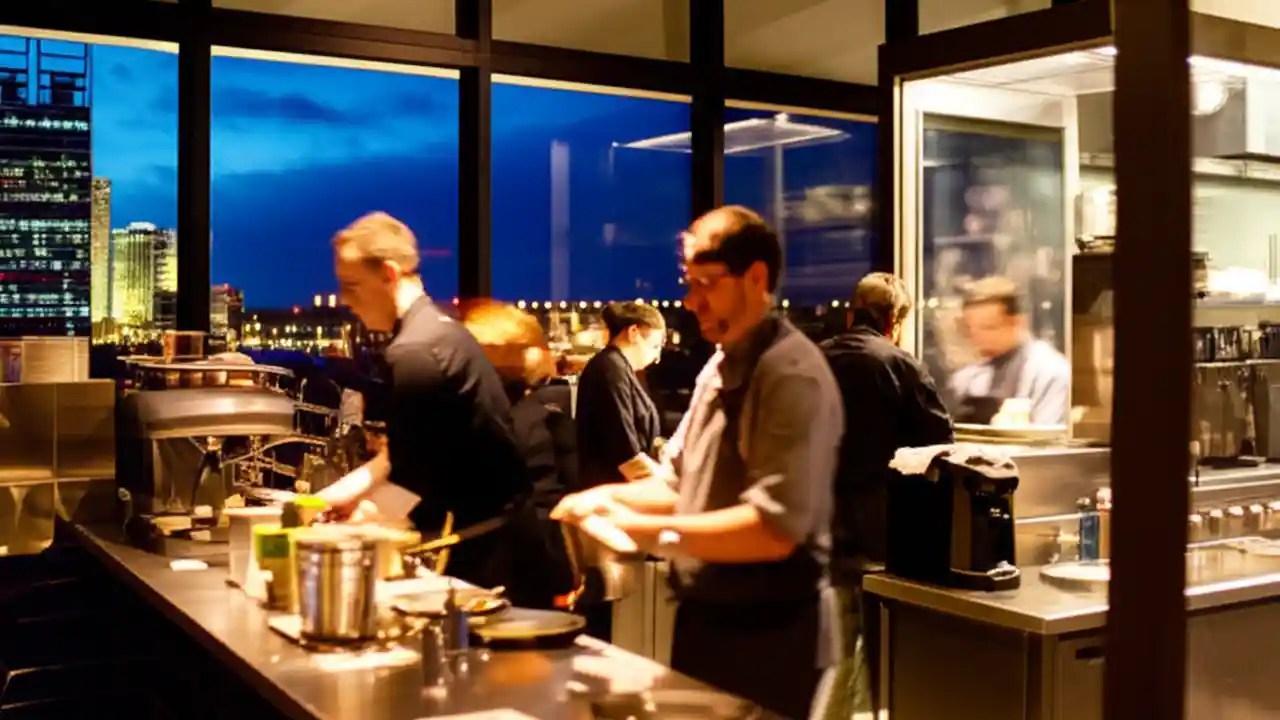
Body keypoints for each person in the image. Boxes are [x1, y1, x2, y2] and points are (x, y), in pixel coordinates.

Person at [554, 205, 844, 719]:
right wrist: (602, 498)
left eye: (706, 283)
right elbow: (676, 480)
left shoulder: (791, 374)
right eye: (690, 283)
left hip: (773, 632)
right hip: (707, 615)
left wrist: (645, 531)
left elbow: (775, 528)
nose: (691, 301)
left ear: (756, 278)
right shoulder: (718, 368)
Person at [317, 212, 567, 609]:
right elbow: (411, 451)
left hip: (488, 555)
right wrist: (337, 497)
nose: (346, 301)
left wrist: (359, 523)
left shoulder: (415, 350)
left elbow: (413, 479)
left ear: (388, 273)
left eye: (351, 287)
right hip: (506, 541)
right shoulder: (437, 330)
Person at [818, 272, 955, 718]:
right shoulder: (899, 364)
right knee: (873, 649)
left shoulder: (813, 359)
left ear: (853, 311)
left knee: (829, 651)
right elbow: (939, 442)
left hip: (815, 527)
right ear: (893, 318)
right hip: (878, 531)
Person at [948, 275, 1071, 425]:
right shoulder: (967, 378)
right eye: (971, 329)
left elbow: (1049, 440)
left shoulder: (1051, 372)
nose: (978, 338)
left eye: (988, 327)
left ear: (1016, 322)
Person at [575, 301, 666, 490]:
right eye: (655, 346)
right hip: (613, 488)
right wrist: (668, 487)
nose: (656, 358)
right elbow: (624, 451)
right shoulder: (610, 369)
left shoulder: (617, 367)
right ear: (634, 333)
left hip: (617, 486)